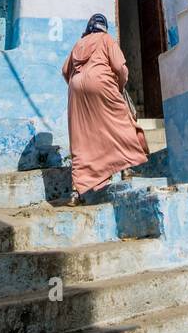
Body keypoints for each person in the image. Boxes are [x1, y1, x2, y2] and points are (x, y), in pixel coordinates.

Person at [61, 13, 149, 203]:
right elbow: (119, 67)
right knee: (122, 122)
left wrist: (78, 85)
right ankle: (126, 168)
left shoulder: (79, 44)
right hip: (101, 82)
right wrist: (119, 85)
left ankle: (76, 191)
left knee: (82, 136)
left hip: (75, 89)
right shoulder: (106, 39)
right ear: (104, 27)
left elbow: (65, 71)